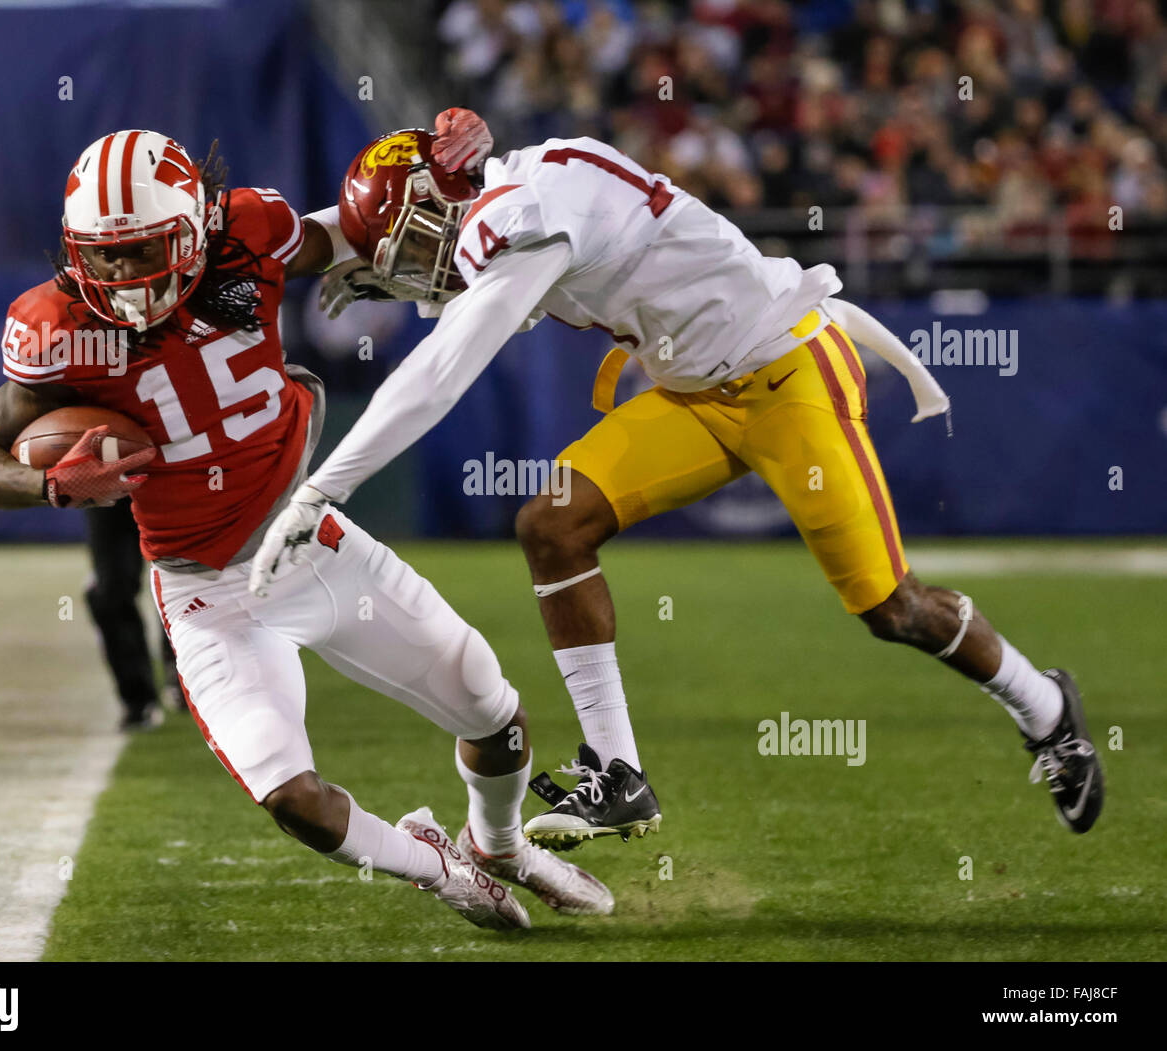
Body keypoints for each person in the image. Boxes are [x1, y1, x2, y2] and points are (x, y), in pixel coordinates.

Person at [251, 118, 1104, 849]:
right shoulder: (510, 186)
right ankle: (618, 772)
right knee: (553, 523)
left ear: (450, 205)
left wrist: (323, 489)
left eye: (412, 249)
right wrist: (231, 241)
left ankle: (1044, 705)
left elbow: (440, 372)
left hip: (788, 371)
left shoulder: (523, 215)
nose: (406, 272)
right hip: (694, 391)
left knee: (892, 608)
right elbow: (350, 227)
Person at [0, 120, 612, 930]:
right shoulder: (56, 327)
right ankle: (436, 863)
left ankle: (500, 842)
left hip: (309, 545)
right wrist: (49, 482)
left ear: (194, 232)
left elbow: (356, 229)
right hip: (206, 595)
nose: (120, 276)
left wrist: (432, 166)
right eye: (103, 254)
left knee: (495, 715)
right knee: (294, 799)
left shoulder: (248, 237)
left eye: (143, 251)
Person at [83, 497, 182, 730]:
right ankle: (139, 699)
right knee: (109, 594)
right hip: (105, 485)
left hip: (170, 475)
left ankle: (182, 673)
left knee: (184, 578)